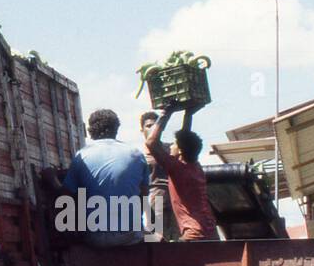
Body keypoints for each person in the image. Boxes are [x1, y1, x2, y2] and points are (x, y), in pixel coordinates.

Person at [61, 108, 150, 247]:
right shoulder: (136, 154)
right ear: (116, 129)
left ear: (91, 131)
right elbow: (143, 196)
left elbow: (67, 196)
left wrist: (52, 181)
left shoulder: (81, 156)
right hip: (129, 235)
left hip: (95, 237)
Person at [144, 106, 217, 241]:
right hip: (210, 230)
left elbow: (151, 142)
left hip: (194, 234)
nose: (171, 146)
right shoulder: (195, 166)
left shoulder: (178, 169)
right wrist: (188, 113)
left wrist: (167, 112)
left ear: (181, 151)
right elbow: (186, 138)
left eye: (174, 144)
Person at [139, 110, 179, 241]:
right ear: (142, 130)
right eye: (148, 126)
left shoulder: (170, 148)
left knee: (178, 240)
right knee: (159, 241)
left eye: (154, 125)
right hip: (154, 201)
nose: (151, 129)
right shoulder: (139, 156)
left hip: (174, 199)